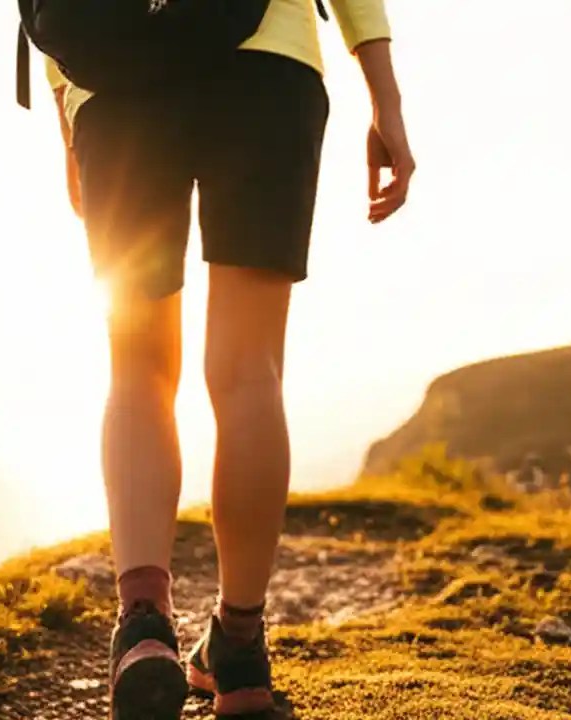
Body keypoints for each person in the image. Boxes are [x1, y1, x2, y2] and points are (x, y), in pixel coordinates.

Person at [46, 1, 414, 716]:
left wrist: (70, 116)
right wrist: (385, 98)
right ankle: (239, 650)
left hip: (115, 83)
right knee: (250, 374)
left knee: (138, 371)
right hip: (266, 71)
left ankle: (144, 625)